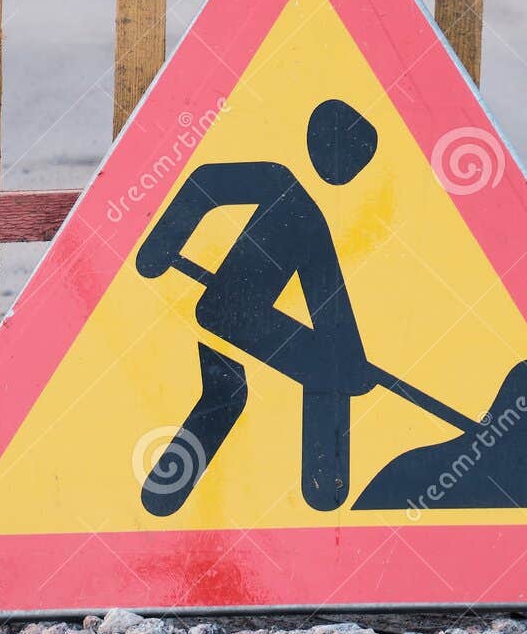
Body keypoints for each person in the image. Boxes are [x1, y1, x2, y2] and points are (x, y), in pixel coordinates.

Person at [134, 99, 379, 515]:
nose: (346, 168)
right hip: (229, 310)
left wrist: (353, 359)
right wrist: (159, 248)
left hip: (239, 317)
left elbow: (328, 298)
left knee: (234, 392)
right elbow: (205, 184)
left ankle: (322, 490)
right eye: (346, 153)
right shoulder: (280, 183)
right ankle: (324, 487)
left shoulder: (311, 216)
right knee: (322, 371)